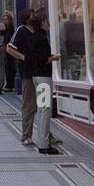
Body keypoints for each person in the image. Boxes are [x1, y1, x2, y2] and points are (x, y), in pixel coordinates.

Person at [28, 13, 62, 155]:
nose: (49, 23)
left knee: (42, 109)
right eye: (47, 21)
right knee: (44, 109)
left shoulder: (34, 36)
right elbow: (42, 59)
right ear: (42, 22)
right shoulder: (41, 38)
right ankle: (43, 143)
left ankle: (43, 141)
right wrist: (53, 58)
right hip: (43, 76)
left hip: (37, 76)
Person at [6, 10, 39, 145]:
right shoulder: (21, 30)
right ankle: (26, 135)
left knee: (44, 105)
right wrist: (23, 58)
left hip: (42, 74)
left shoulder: (38, 31)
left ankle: (46, 134)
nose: (35, 18)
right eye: (32, 16)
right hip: (28, 73)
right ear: (26, 19)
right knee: (29, 105)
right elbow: (9, 48)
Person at [3, 11, 17, 93]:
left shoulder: (10, 29)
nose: (5, 21)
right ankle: (9, 84)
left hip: (10, 51)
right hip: (8, 51)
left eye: (6, 19)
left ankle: (10, 85)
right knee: (8, 67)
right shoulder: (7, 29)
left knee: (9, 67)